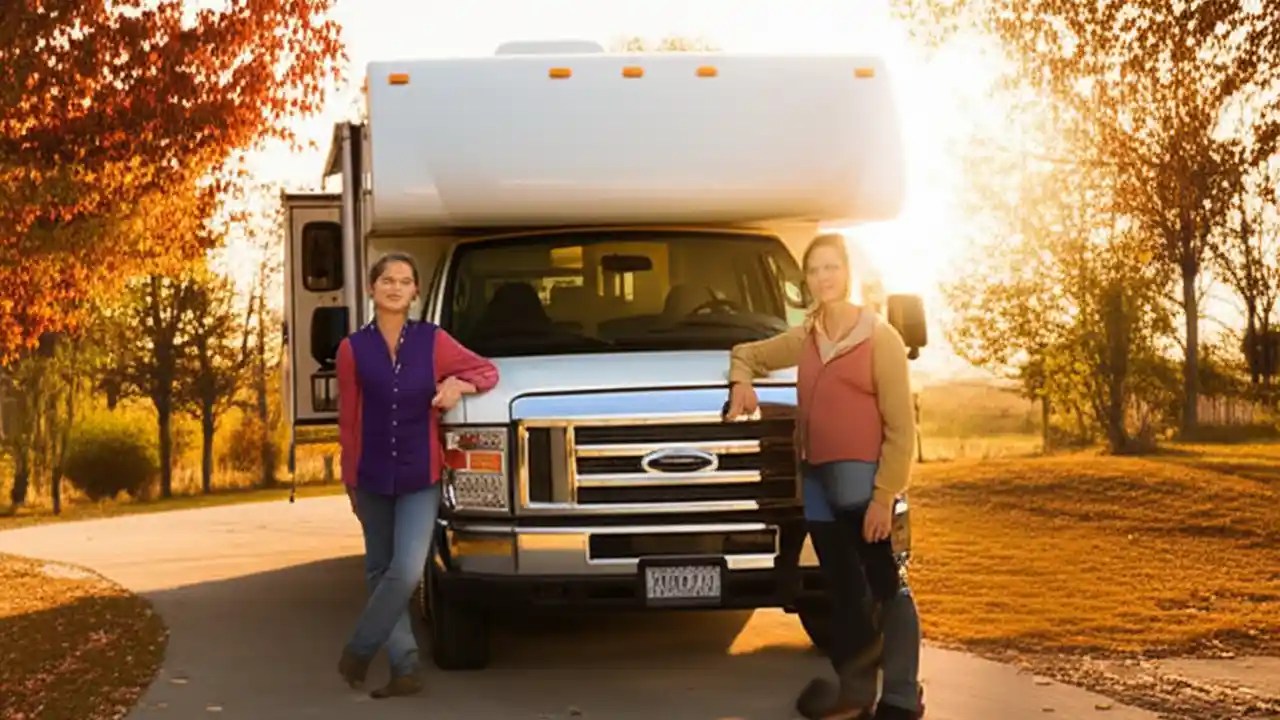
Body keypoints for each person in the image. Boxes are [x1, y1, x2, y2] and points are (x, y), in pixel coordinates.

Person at [726, 233, 922, 720]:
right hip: (815, 484)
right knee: (844, 592)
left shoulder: (880, 338)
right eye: (814, 270)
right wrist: (741, 382)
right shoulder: (807, 336)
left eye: (831, 267)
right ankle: (855, 694)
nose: (822, 278)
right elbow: (747, 353)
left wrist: (884, 498)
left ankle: (901, 697)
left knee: (887, 588)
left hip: (863, 485)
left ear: (847, 273)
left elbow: (902, 428)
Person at [335, 252, 499, 698]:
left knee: (406, 570)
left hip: (420, 474)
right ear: (371, 289)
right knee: (378, 569)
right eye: (386, 280)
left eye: (404, 281)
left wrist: (457, 385)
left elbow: (486, 371)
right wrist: (349, 480)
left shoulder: (433, 341)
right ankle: (404, 666)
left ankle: (359, 650)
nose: (394, 287)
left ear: (415, 293)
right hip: (370, 475)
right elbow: (348, 421)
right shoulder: (352, 349)